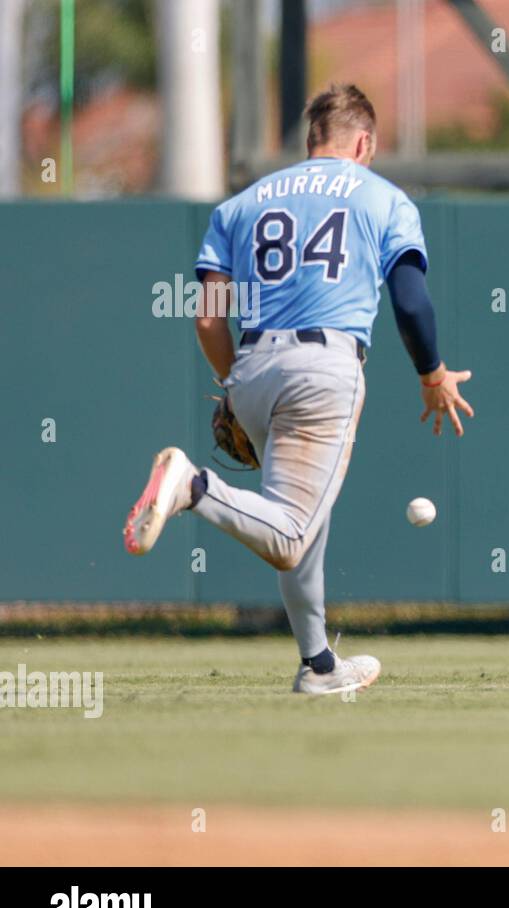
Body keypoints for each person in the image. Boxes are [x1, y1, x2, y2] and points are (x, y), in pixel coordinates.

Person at [123, 84, 474, 694]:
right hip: (325, 367)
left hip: (252, 365)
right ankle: (193, 487)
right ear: (364, 142)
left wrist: (233, 385)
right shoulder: (384, 198)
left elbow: (208, 317)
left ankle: (318, 666)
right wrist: (432, 373)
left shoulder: (242, 204)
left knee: (303, 524)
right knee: (290, 534)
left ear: (310, 141)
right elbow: (411, 303)